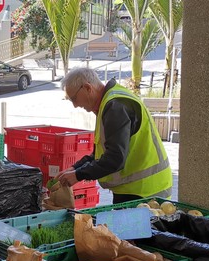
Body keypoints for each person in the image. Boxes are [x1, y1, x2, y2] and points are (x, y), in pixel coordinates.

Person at [55, 67, 172, 204]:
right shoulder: (109, 103)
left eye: (74, 98)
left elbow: (115, 158)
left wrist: (78, 175)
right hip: (135, 190)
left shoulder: (115, 106)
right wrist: (75, 168)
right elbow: (99, 155)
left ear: (87, 88)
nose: (75, 105)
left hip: (144, 193)